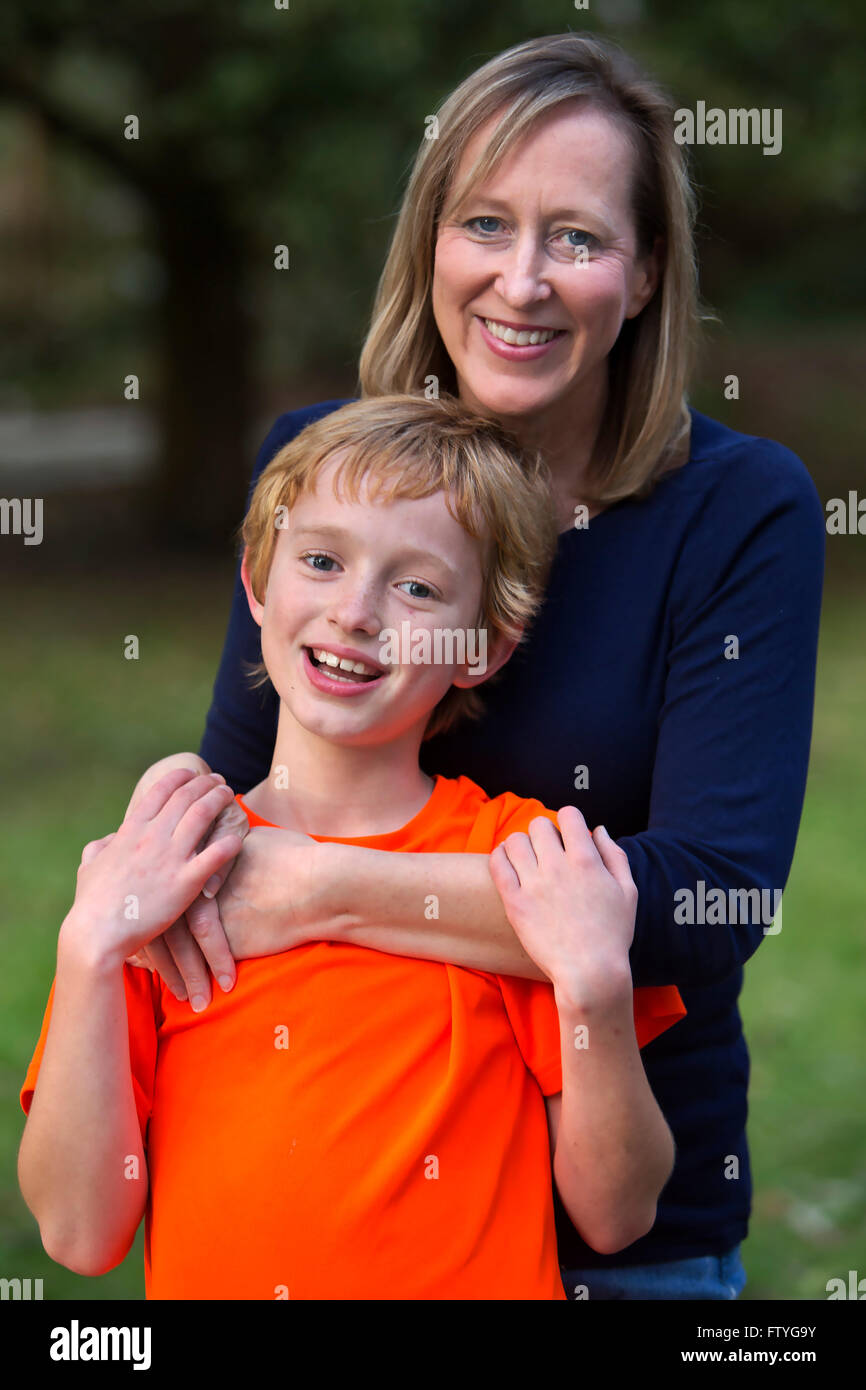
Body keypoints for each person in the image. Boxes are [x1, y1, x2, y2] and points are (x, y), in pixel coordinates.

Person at [117, 34, 824, 1300]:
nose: (521, 280)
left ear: (647, 270)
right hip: (336, 1193)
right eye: (485, 222)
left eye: (577, 238)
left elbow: (705, 900)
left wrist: (322, 889)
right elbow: (234, 823)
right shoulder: (317, 462)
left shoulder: (734, 510)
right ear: (428, 244)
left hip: (607, 1211)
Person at [18, 395, 686, 1300]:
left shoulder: (522, 858)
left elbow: (618, 1213)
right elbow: (76, 1231)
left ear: (484, 645)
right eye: (323, 561)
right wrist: (88, 948)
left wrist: (597, 981)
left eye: (416, 586)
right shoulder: (162, 862)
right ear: (258, 582)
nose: (356, 612)